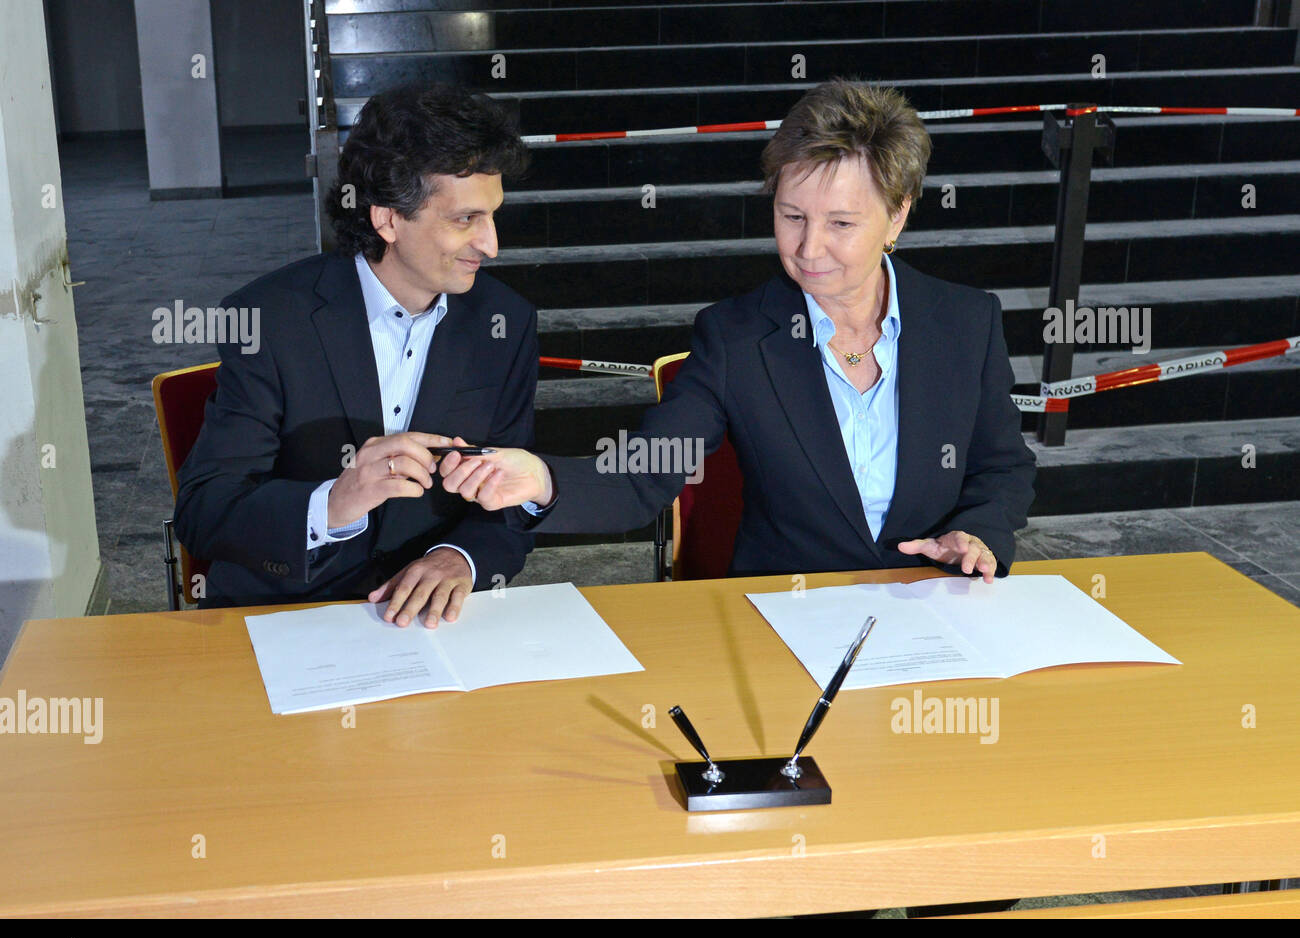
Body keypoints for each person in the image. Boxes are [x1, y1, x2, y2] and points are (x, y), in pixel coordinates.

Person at [436, 80, 1035, 582]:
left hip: (929, 601)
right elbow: (649, 469)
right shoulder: (735, 336)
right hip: (788, 618)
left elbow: (1002, 467)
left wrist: (976, 532)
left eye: (842, 223)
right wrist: (542, 478)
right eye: (791, 216)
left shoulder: (965, 321)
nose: (808, 248)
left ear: (898, 213)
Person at [174, 84, 538, 626]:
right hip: (284, 615)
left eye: (492, 216)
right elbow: (205, 511)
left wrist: (458, 557)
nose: (491, 245)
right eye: (465, 220)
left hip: (429, 623)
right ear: (387, 219)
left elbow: (510, 495)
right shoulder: (269, 319)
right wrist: (333, 503)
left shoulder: (504, 321)